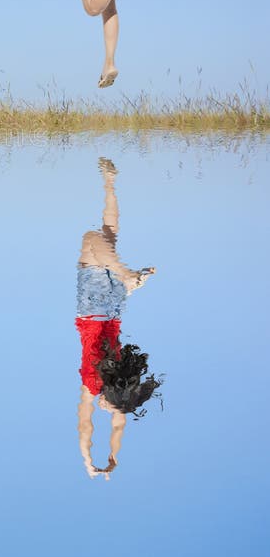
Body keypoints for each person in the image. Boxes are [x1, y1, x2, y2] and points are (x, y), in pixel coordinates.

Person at [75, 157, 163, 480]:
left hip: (114, 310)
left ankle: (109, 182)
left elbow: (118, 422)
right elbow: (85, 423)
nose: (109, 413)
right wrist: (88, 458)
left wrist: (109, 457)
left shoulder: (111, 392)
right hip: (95, 306)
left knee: (107, 235)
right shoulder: (92, 385)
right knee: (91, 239)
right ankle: (126, 273)